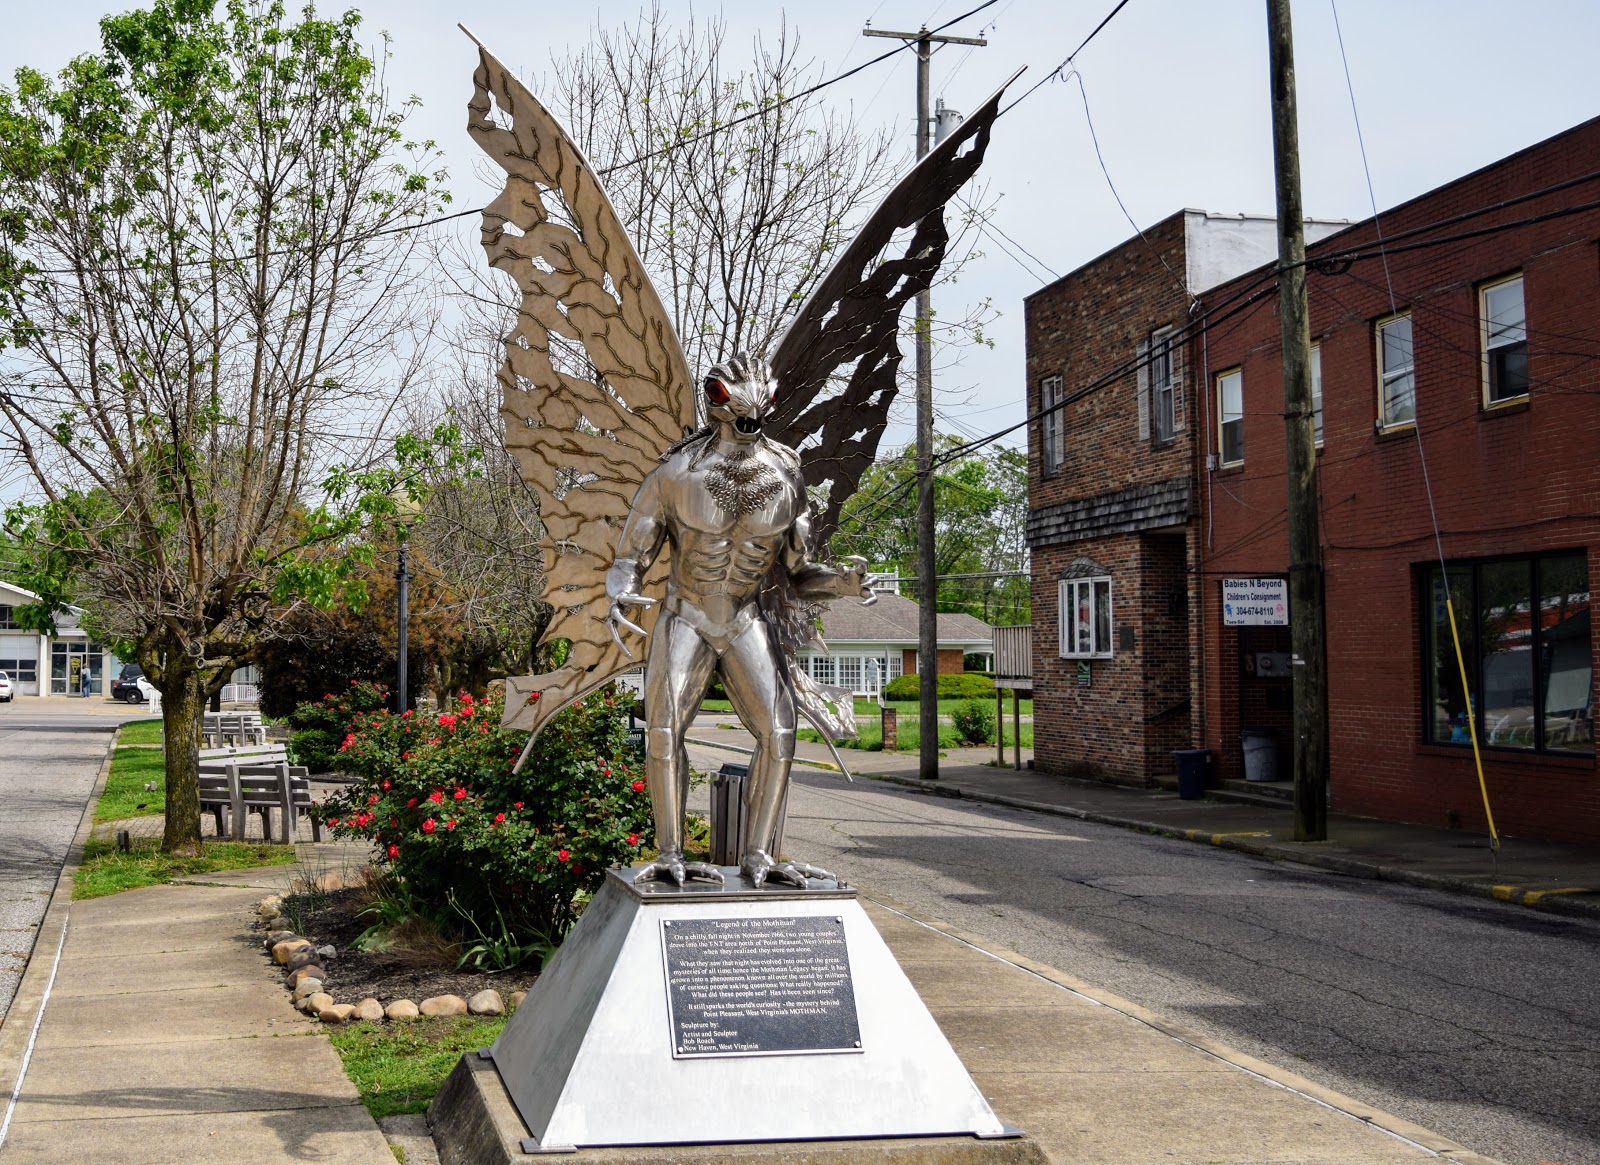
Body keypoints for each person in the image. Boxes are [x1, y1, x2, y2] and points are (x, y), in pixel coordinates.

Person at [607, 354, 870, 889]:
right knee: (664, 730)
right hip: (685, 614)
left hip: (746, 617)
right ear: (716, 404)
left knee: (779, 733)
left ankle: (759, 855)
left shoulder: (786, 476)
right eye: (736, 407)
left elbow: (799, 573)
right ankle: (670, 852)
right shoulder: (674, 473)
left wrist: (842, 583)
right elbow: (629, 556)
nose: (750, 421)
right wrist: (621, 592)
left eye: (760, 409)